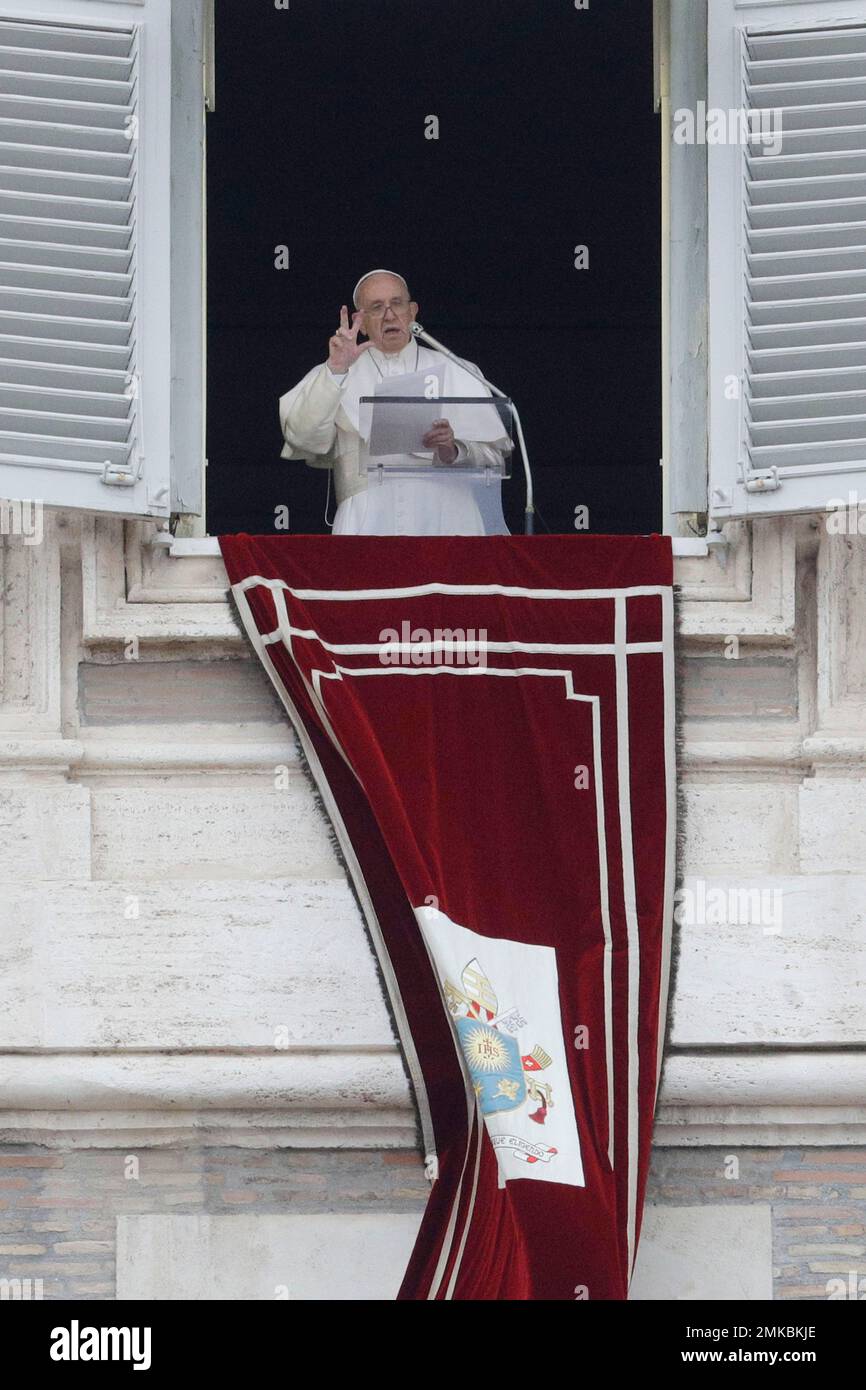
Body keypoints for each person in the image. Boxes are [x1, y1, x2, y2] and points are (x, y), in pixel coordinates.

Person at [279, 270, 511, 535]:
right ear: (361, 322)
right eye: (377, 307)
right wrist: (336, 369)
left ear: (413, 312)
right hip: (366, 521)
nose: (390, 315)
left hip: (450, 519)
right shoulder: (335, 374)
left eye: (397, 304)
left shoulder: (458, 369)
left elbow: (495, 458)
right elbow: (302, 438)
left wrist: (454, 450)